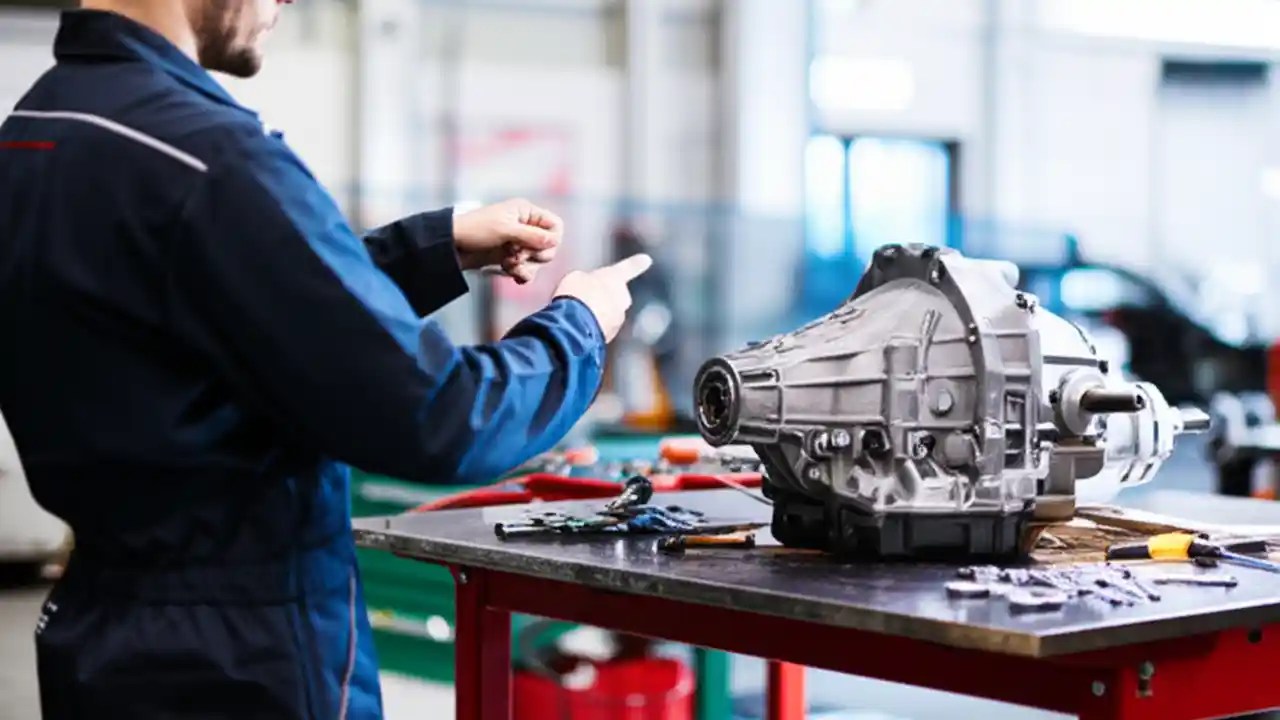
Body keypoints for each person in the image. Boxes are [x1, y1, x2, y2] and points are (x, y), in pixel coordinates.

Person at [0, 0, 651, 717]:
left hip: (101, 642)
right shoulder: (212, 160)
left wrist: (435, 248)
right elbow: (445, 414)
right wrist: (579, 324)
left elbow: (232, 306)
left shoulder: (39, 133)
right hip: (245, 663)